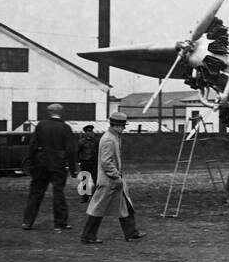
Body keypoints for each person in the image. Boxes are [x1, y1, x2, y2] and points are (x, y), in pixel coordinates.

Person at [81, 111, 147, 244]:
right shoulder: (109, 139)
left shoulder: (113, 137)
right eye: (123, 126)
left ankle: (131, 232)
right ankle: (88, 235)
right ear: (116, 126)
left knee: (125, 205)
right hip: (109, 181)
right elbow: (106, 162)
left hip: (113, 181)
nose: (124, 128)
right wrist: (116, 177)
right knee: (98, 208)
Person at [20, 103, 79, 232]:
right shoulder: (65, 128)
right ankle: (60, 223)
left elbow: (33, 145)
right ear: (61, 112)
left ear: (49, 112)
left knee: (35, 193)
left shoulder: (41, 125)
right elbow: (70, 150)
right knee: (59, 193)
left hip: (41, 163)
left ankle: (27, 222)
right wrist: (73, 169)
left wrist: (30, 162)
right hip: (58, 164)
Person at [77, 124, 99, 202]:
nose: (89, 133)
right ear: (85, 133)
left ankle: (95, 196)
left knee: (95, 179)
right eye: (87, 132)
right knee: (85, 180)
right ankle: (84, 197)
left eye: (90, 131)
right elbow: (77, 152)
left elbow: (99, 151)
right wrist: (78, 161)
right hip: (84, 162)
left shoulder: (96, 141)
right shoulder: (81, 142)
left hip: (94, 162)